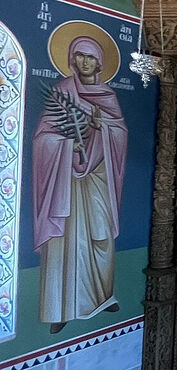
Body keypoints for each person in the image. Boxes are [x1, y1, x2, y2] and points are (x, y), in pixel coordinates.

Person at [33, 36, 128, 334]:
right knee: (64, 241)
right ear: (72, 60)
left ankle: (101, 298)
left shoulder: (108, 96)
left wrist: (102, 129)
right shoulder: (62, 92)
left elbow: (121, 135)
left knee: (100, 236)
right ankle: (59, 309)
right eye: (80, 56)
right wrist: (66, 146)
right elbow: (42, 138)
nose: (85, 62)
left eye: (91, 57)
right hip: (65, 182)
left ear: (99, 62)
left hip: (98, 177)